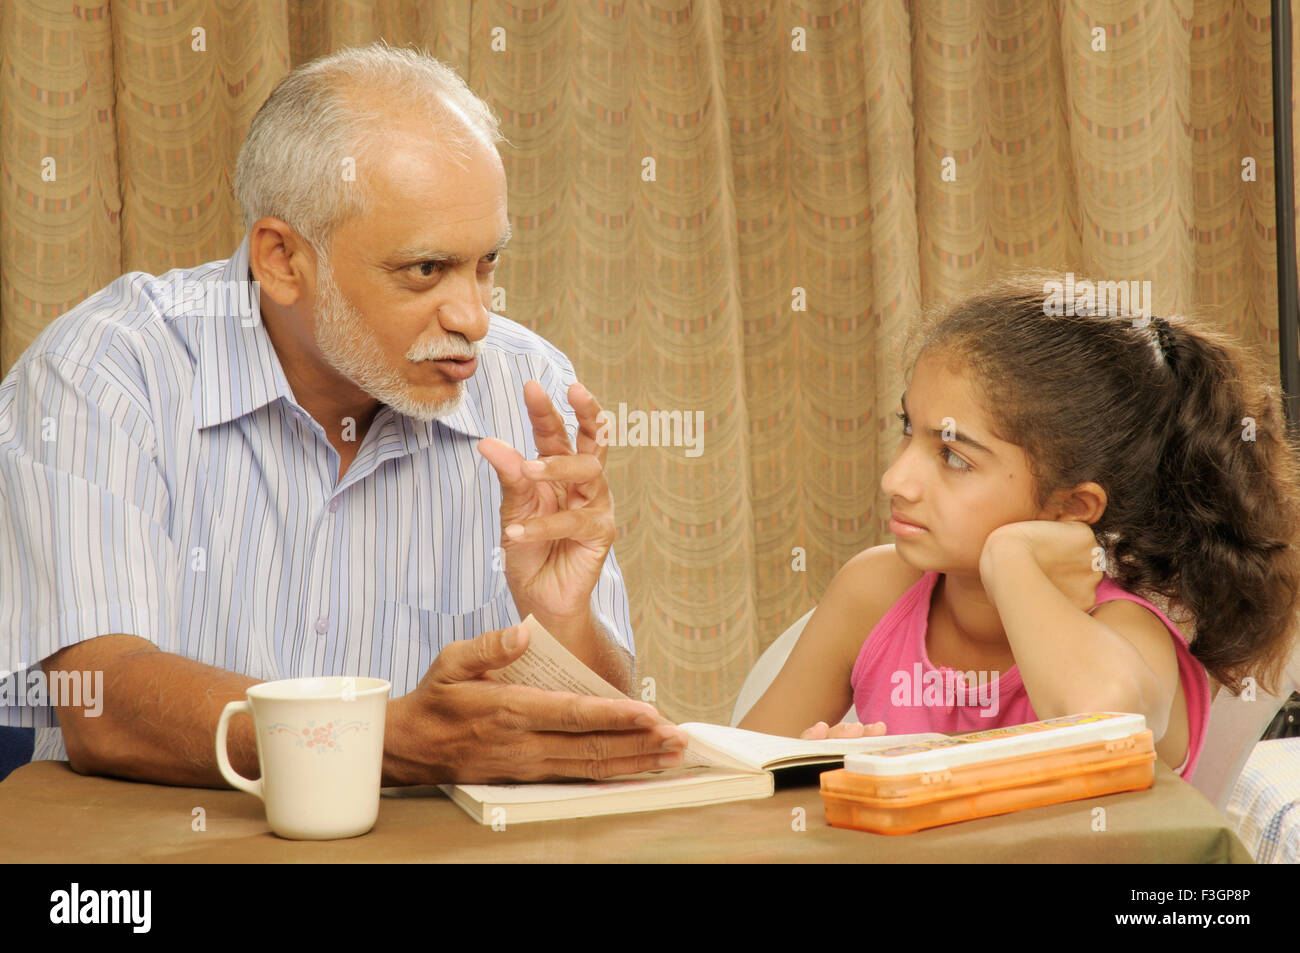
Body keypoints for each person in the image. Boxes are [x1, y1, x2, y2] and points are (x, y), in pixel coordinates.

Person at [0, 43, 690, 787]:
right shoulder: (107, 372)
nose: (474, 316)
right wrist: (381, 740)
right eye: (426, 269)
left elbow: (610, 744)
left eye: (486, 264)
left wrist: (563, 621)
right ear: (282, 260)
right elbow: (105, 703)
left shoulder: (529, 387)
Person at [739, 273, 1300, 780]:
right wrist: (812, 775)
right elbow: (738, 776)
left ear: (1073, 508)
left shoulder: (1125, 627)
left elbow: (1097, 716)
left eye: (955, 457)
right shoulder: (873, 591)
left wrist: (1010, 560)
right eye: (908, 428)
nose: (895, 479)